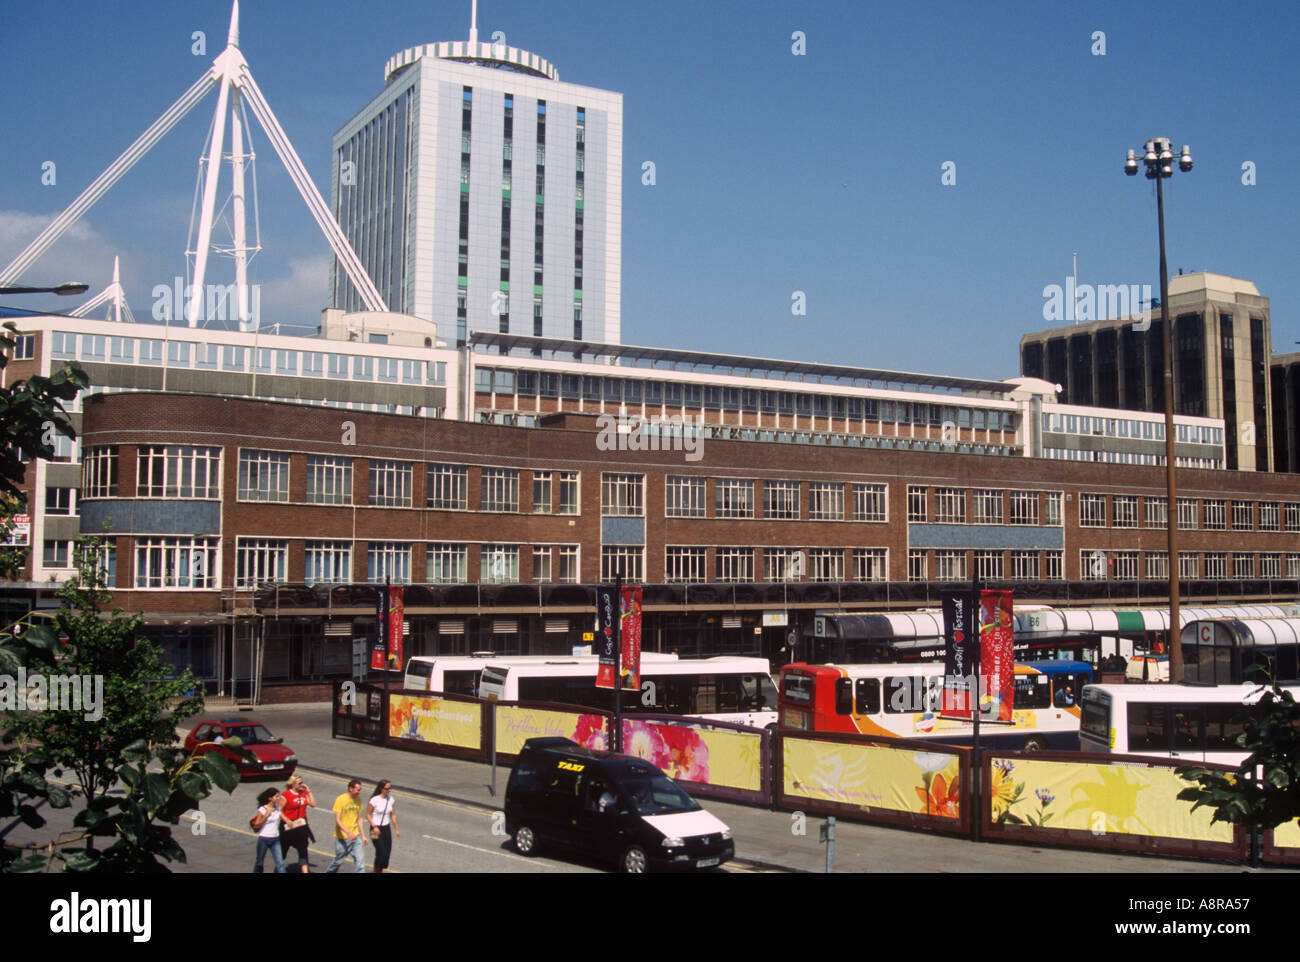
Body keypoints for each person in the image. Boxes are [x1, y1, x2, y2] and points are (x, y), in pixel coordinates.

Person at [326, 778, 367, 873]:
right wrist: (348, 832)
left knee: (360, 863)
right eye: (357, 789)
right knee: (338, 861)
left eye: (360, 790)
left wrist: (363, 835)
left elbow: (359, 819)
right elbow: (337, 820)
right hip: (342, 838)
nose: (359, 792)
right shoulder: (340, 799)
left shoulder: (358, 800)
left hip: (355, 836)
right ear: (350, 789)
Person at [280, 774, 316, 873]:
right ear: (293, 784)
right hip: (288, 828)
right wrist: (287, 820)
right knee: (283, 852)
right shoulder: (286, 795)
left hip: (301, 827)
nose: (302, 784)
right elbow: (279, 811)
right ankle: (278, 868)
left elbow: (313, 804)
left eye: (302, 782)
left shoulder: (303, 793)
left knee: (303, 850)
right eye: (299, 783)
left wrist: (308, 791)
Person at [366, 779, 400, 874]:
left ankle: (379, 871)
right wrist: (375, 827)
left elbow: (392, 815)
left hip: (386, 828)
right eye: (387, 788)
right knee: (381, 852)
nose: (389, 790)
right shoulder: (374, 800)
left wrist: (397, 829)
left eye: (390, 788)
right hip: (374, 829)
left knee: (386, 853)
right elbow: (368, 815)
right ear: (381, 789)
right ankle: (375, 871)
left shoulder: (391, 799)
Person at [251, 787, 286, 873]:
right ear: (270, 798)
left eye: (279, 796)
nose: (278, 798)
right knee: (259, 862)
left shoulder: (278, 808)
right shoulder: (263, 809)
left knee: (280, 863)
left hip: (275, 839)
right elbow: (256, 826)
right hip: (264, 838)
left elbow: (284, 801)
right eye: (276, 796)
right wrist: (266, 815)